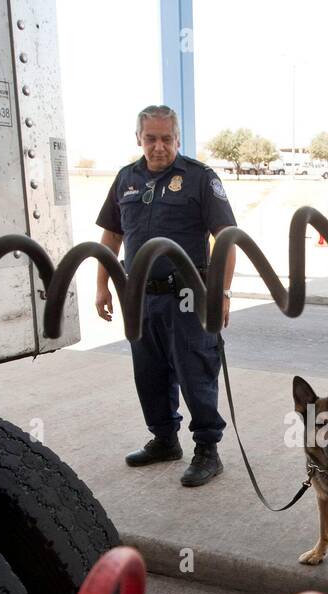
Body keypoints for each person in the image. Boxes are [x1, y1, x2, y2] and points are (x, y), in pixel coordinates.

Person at [95, 104, 237, 487]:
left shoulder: (199, 179)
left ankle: (208, 449)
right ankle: (164, 439)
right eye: (150, 139)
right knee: (150, 372)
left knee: (196, 372)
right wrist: (101, 285)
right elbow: (111, 235)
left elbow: (226, 238)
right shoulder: (126, 178)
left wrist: (222, 293)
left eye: (166, 139)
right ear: (139, 139)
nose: (159, 147)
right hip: (139, 297)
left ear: (177, 139)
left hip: (189, 297)